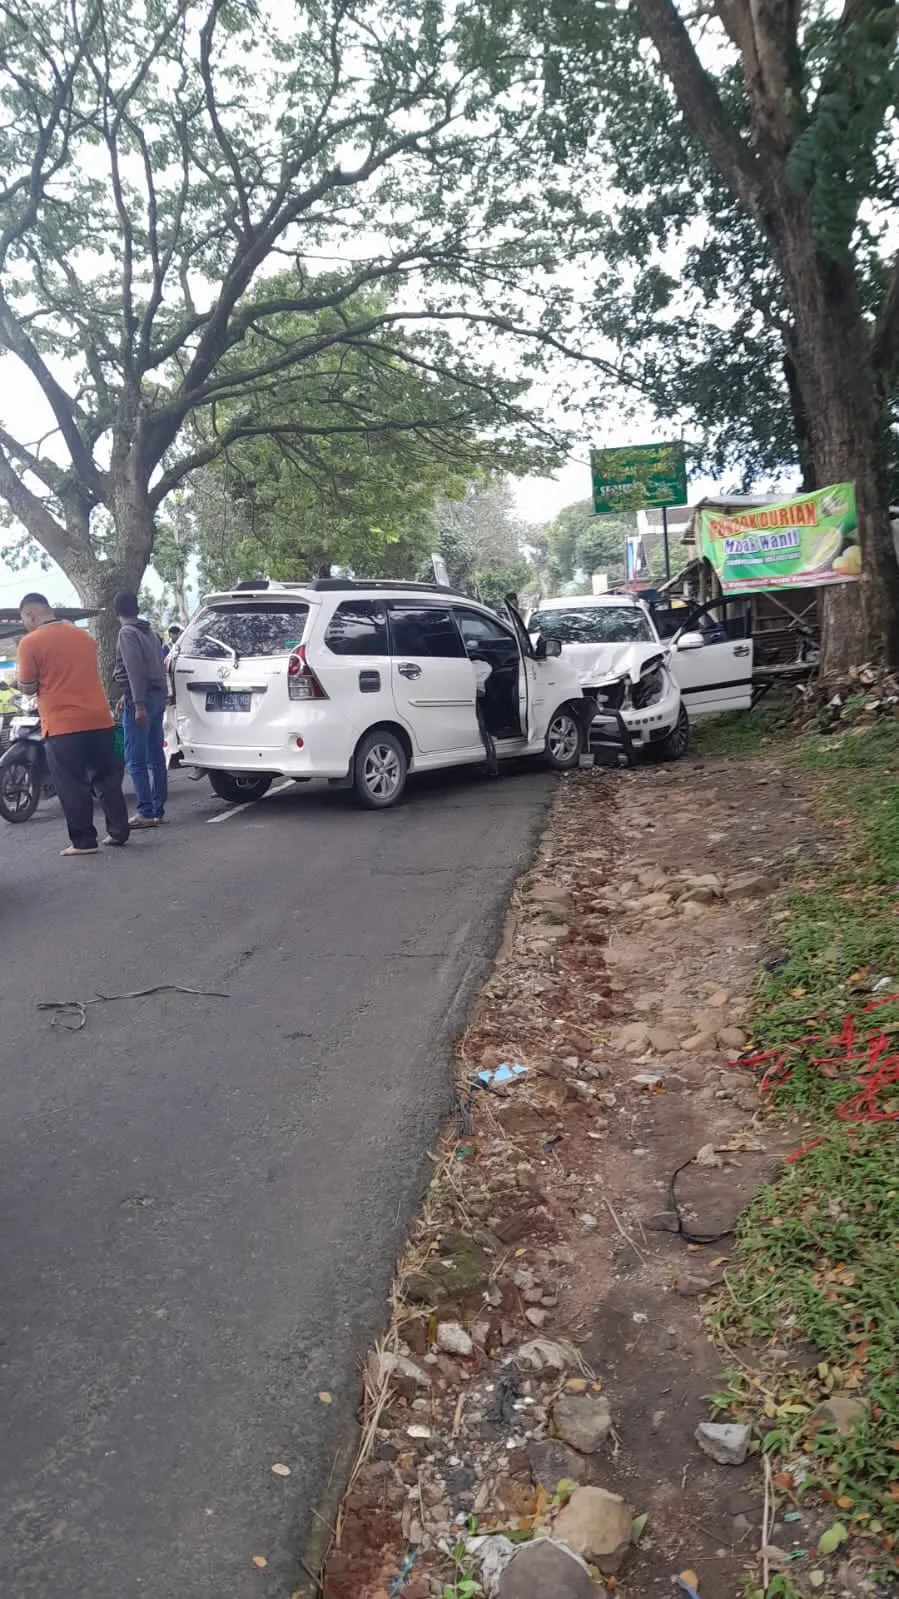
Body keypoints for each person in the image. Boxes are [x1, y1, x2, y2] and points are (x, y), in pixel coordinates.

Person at [15, 593, 130, 856]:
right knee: (107, 777)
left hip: (63, 724)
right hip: (100, 718)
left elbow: (29, 687)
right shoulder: (83, 637)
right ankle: (118, 832)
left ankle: (84, 841)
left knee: (71, 783)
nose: (25, 625)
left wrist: (21, 684)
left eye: (24, 620)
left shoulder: (29, 642)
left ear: (30, 614)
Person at [113, 591, 169, 827]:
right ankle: (157, 809)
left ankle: (145, 811)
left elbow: (134, 670)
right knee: (155, 755)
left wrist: (137, 704)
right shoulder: (150, 632)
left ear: (117, 612)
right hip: (157, 695)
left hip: (142, 699)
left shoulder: (126, 633)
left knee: (134, 758)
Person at [468, 647, 500, 777]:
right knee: (484, 730)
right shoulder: (483, 666)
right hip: (477, 698)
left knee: (482, 728)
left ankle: (491, 764)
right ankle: (492, 765)